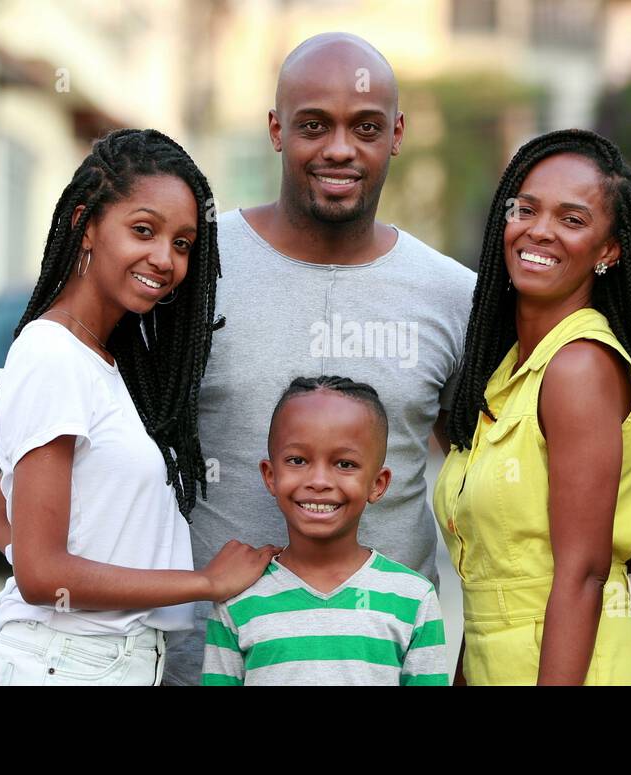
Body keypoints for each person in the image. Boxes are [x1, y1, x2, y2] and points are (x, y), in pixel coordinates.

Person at [167, 33, 476, 685]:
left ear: (396, 134)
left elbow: (481, 473)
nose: (340, 148)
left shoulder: (454, 296)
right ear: (277, 130)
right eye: (314, 125)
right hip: (210, 660)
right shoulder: (194, 271)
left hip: (386, 664)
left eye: (365, 127)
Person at [0, 129, 277, 686]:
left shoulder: (108, 366)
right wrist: (204, 584)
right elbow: (41, 574)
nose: (164, 259)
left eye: (182, 244)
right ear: (85, 226)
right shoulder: (52, 354)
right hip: (65, 665)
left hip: (106, 662)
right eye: (143, 230)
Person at [433, 129, 631, 685]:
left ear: (609, 251)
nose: (539, 230)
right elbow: (492, 578)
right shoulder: (506, 373)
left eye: (572, 220)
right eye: (526, 209)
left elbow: (581, 575)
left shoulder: (579, 367)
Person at [201, 376, 447, 686]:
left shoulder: (412, 598)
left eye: (344, 464)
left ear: (377, 484)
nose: (319, 480)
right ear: (270, 476)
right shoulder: (237, 600)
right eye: (298, 460)